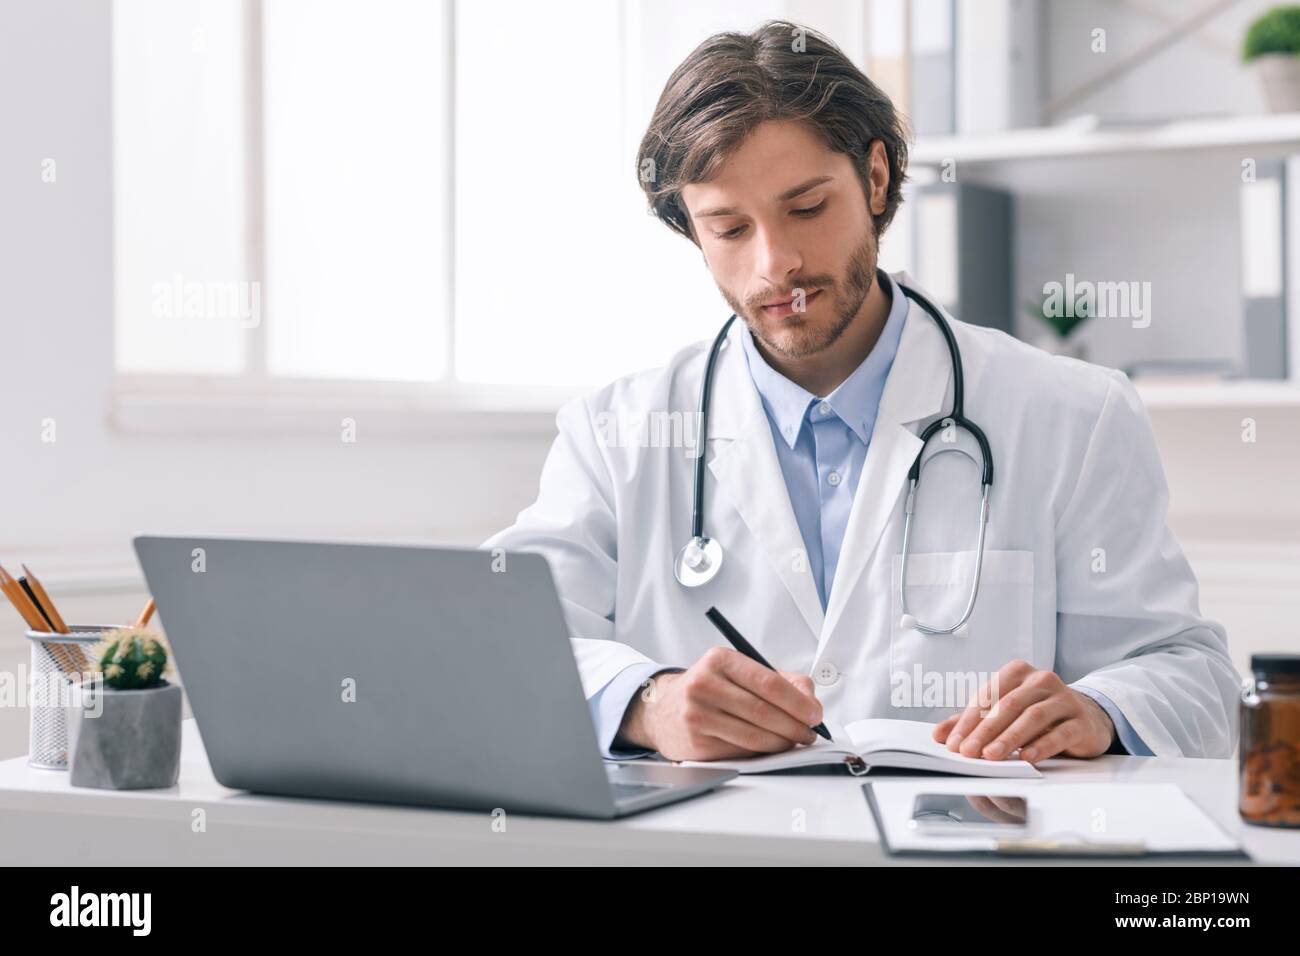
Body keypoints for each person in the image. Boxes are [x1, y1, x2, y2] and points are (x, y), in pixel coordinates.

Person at [483, 20, 1238, 764]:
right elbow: (497, 639)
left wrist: (1100, 709)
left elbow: (1192, 675)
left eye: (806, 208)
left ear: (876, 177)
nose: (775, 265)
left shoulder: (1073, 415)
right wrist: (648, 704)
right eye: (729, 228)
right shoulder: (616, 432)